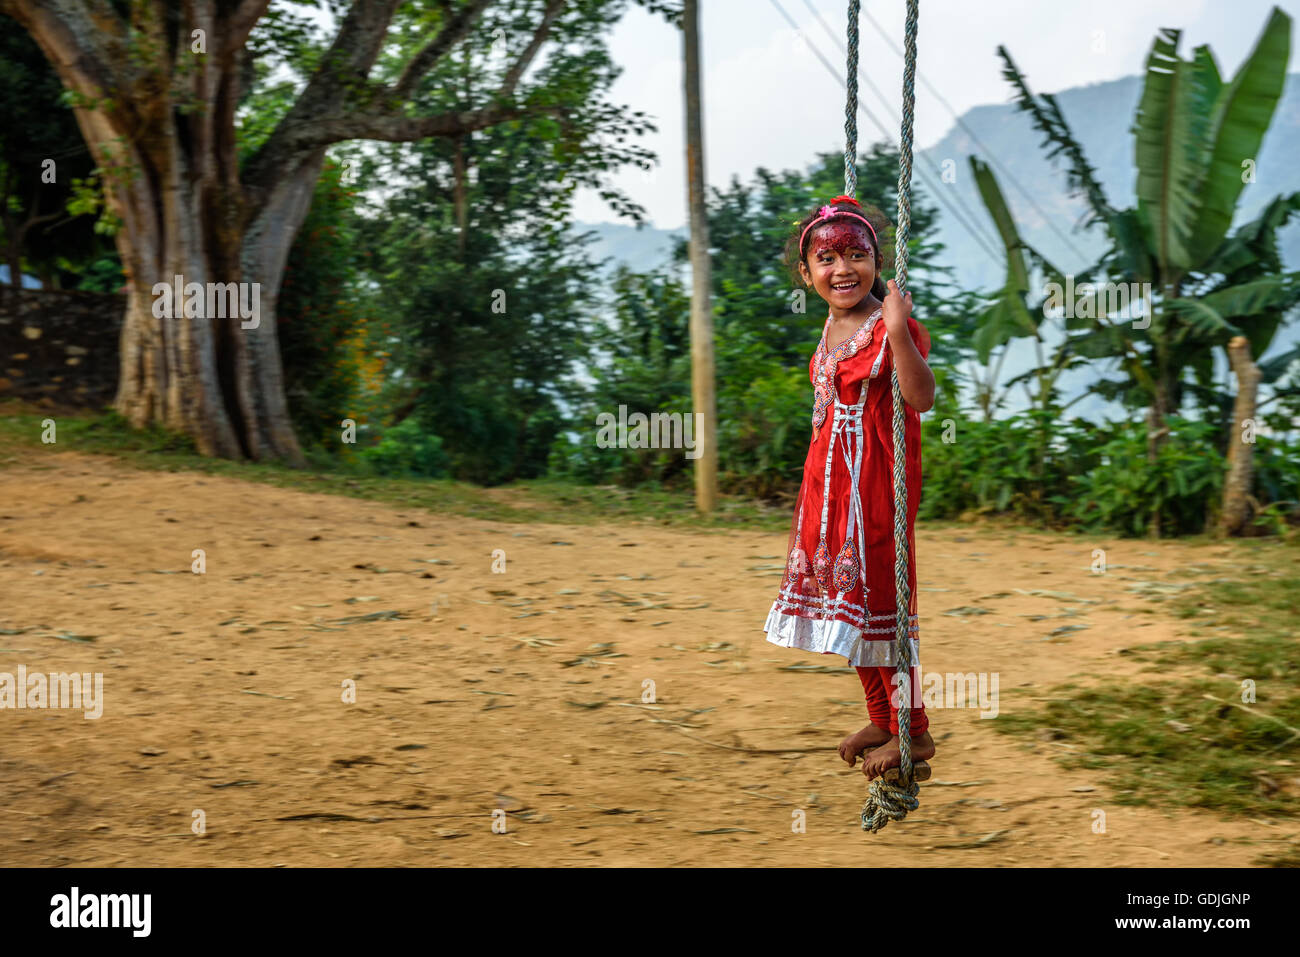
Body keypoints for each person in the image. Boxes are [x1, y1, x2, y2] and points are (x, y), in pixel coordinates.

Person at [762, 194, 937, 780]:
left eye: (857, 255)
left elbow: (921, 398)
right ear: (806, 273)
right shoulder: (833, 323)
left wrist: (898, 332)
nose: (843, 269)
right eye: (827, 258)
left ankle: (914, 733)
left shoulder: (893, 324)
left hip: (873, 489)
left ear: (876, 260)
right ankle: (881, 717)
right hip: (829, 491)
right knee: (848, 611)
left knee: (884, 609)